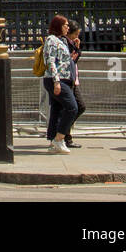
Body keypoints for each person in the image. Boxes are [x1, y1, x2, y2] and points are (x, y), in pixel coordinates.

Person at [43, 14, 78, 154]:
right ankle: (59, 138)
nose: (68, 28)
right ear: (58, 26)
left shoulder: (60, 40)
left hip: (63, 79)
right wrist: (56, 81)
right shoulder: (51, 40)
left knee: (57, 110)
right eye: (65, 25)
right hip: (56, 79)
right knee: (72, 108)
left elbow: (63, 60)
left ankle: (53, 140)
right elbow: (51, 61)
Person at [65, 20, 86, 149]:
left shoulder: (71, 43)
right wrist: (76, 50)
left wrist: (77, 48)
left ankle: (65, 133)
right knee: (76, 107)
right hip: (68, 79)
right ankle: (63, 133)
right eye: (75, 34)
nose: (76, 37)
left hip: (73, 78)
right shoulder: (65, 43)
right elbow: (70, 61)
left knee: (77, 107)